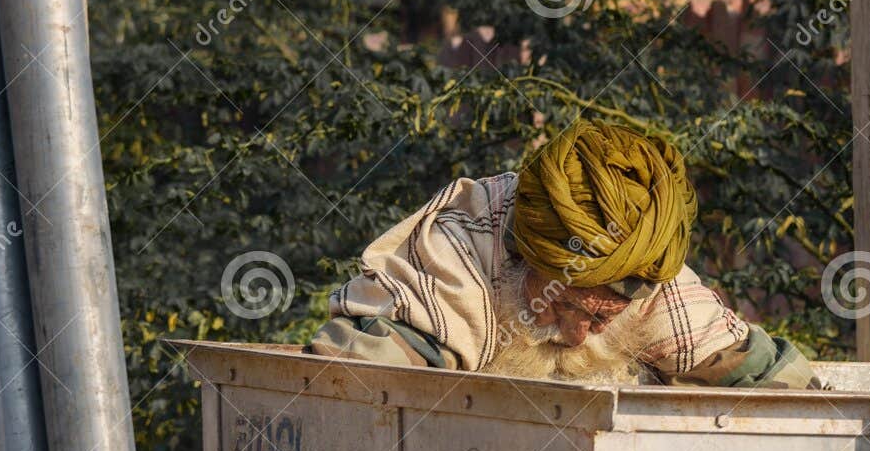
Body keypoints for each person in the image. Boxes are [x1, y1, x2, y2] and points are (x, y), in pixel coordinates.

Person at [310, 120, 818, 388]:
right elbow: (342, 393)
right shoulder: (456, 257)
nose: (575, 335)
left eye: (601, 318)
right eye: (562, 304)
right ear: (523, 256)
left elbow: (788, 398)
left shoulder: (653, 280)